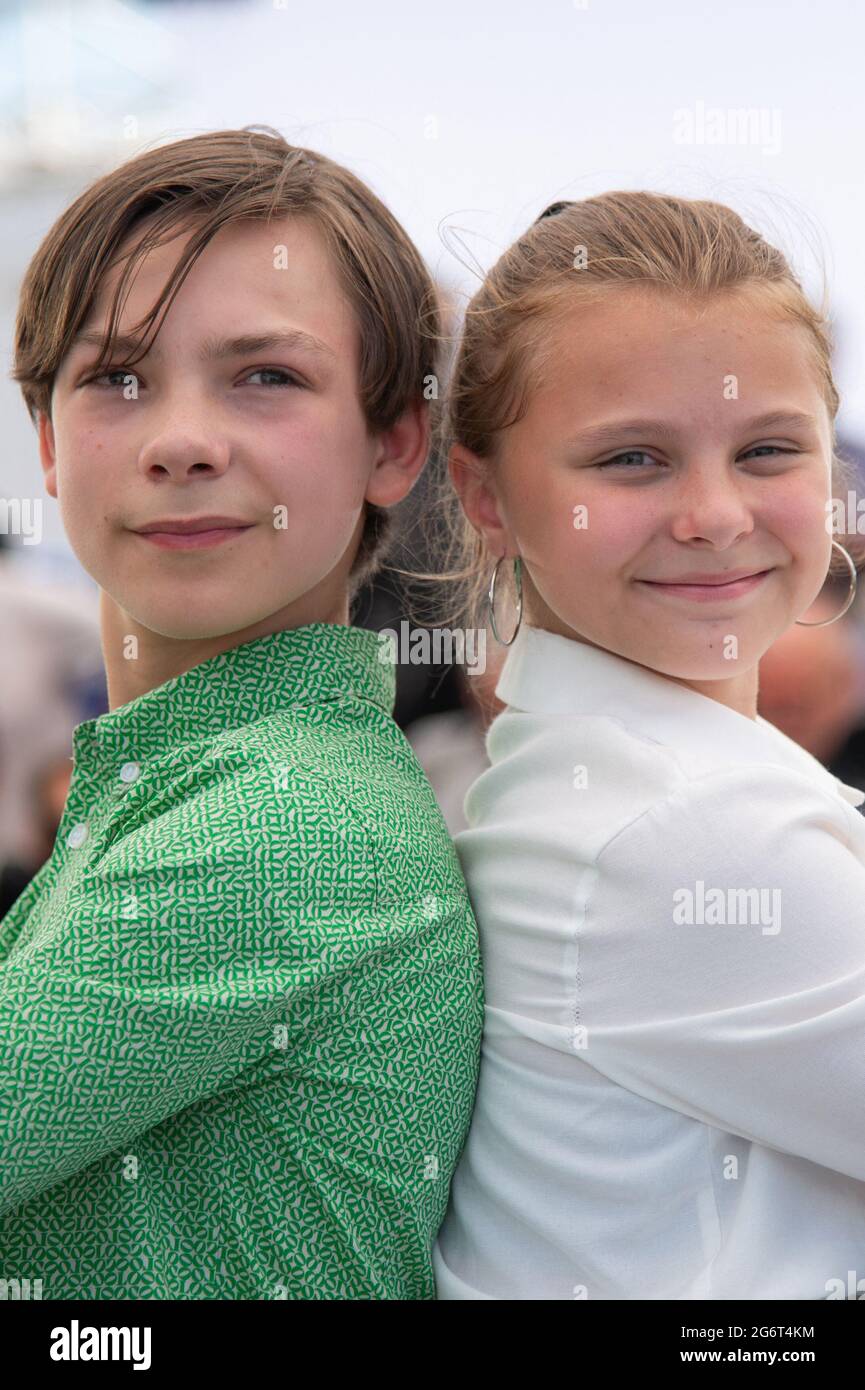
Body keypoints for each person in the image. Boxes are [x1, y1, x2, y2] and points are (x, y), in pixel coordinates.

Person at [0, 126, 483, 1300]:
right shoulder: (203, 776)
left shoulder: (281, 829)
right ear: (52, 442)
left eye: (267, 376)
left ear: (394, 441)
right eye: (118, 375)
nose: (181, 442)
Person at [425, 191, 865, 1299]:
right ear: (484, 495)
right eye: (631, 460)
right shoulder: (685, 832)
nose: (713, 514)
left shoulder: (598, 770)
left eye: (767, 448)